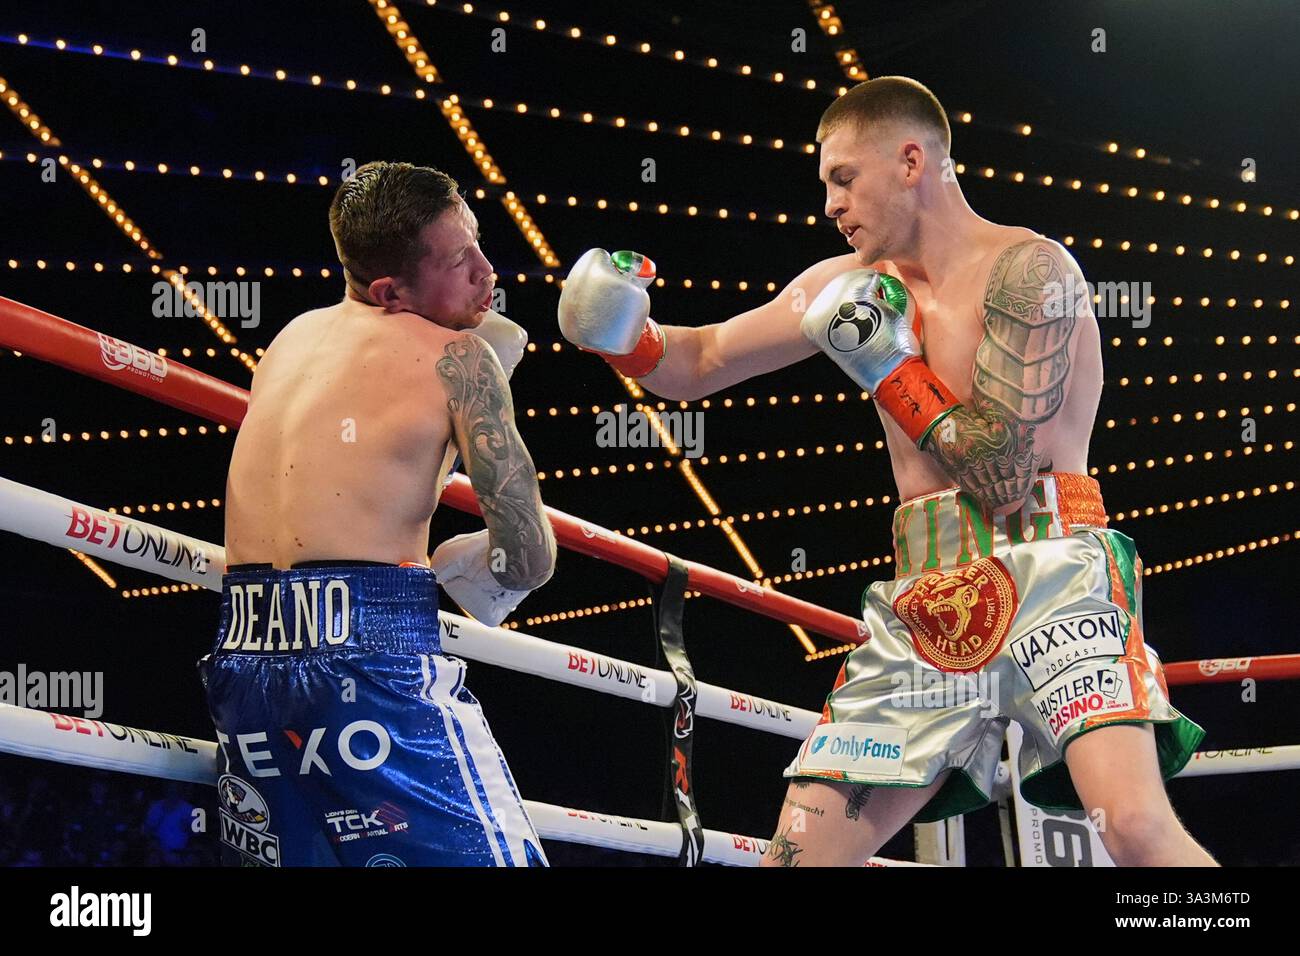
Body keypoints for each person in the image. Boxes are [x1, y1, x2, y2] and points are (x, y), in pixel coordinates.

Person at [557, 77, 1214, 867]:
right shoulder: (844, 285)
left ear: (910, 161)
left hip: (1052, 570)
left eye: (843, 178)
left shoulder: (1030, 271)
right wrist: (622, 332)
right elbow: (700, 360)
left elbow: (1004, 473)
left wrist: (888, 364)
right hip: (926, 602)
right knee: (797, 859)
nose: (831, 205)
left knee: (1135, 830)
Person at [202, 160, 556, 866]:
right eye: (461, 260)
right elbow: (531, 558)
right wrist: (469, 564)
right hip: (369, 660)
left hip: (242, 665)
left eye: (479, 243)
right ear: (392, 291)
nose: (488, 271)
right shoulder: (460, 359)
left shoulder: (288, 342)